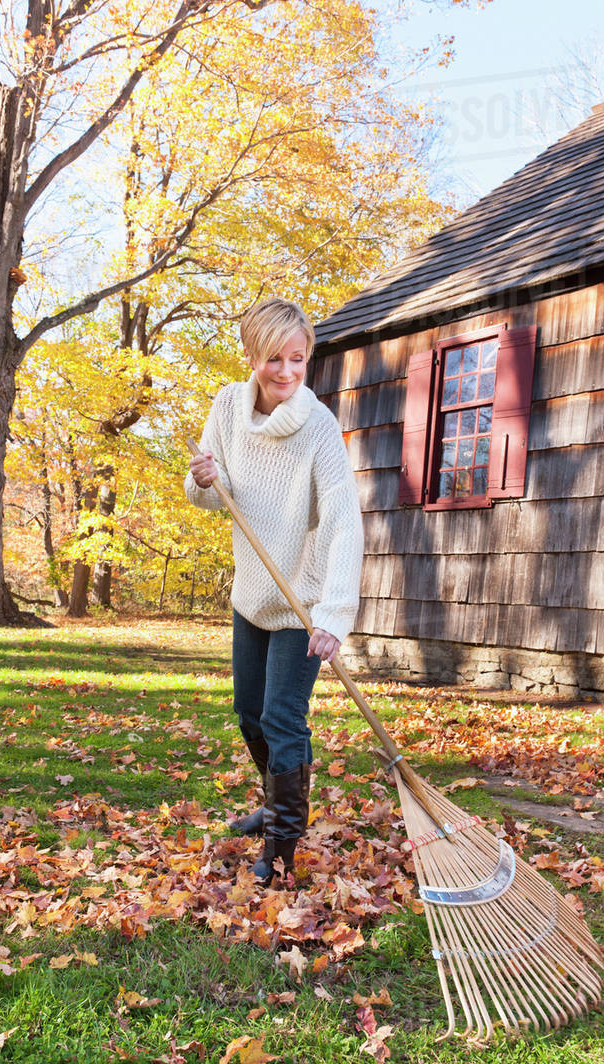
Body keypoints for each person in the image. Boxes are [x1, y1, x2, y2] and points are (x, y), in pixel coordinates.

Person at [185, 297, 364, 884]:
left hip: (302, 601)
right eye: (273, 359)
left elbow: (342, 522)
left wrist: (334, 614)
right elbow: (213, 495)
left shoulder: (318, 428)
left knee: (283, 718)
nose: (286, 372)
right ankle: (274, 797)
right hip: (252, 592)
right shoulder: (228, 406)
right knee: (248, 714)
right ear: (251, 355)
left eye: (298, 359)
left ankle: (282, 841)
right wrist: (204, 479)